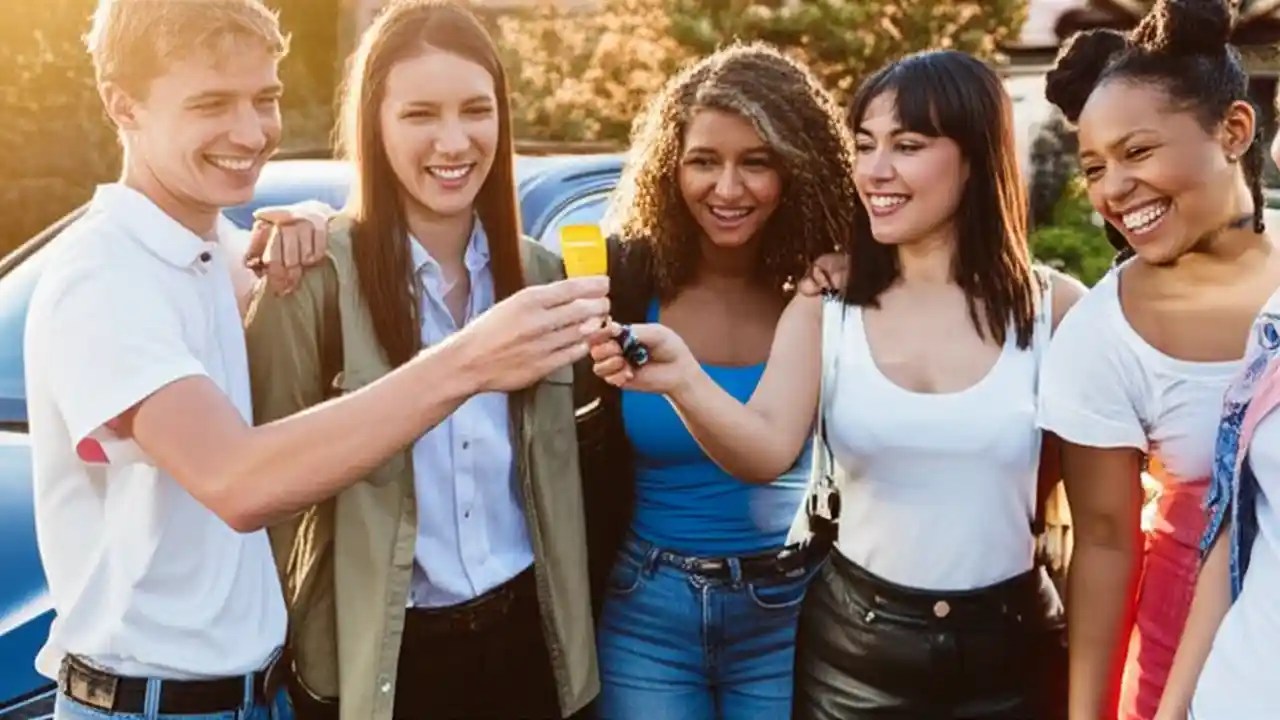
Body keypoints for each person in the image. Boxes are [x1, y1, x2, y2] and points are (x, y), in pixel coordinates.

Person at [21, 1, 607, 719]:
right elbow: (237, 481)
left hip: (261, 696)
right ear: (123, 106)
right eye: (211, 103)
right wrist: (472, 360)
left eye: (264, 98)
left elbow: (301, 252)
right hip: (148, 706)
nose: (251, 131)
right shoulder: (104, 277)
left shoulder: (217, 255)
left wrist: (308, 219)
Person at [593, 48, 1083, 719]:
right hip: (802, 637)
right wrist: (682, 376)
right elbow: (763, 448)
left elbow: (1090, 512)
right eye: (865, 146)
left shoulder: (1051, 310)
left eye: (906, 145)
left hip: (973, 638)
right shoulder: (809, 301)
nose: (876, 170)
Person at [241, 2, 599, 719]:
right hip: (383, 665)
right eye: (420, 115)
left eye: (476, 110)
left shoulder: (547, 279)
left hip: (533, 652)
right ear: (374, 122)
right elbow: (266, 501)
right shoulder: (310, 285)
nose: (454, 140)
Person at [574, 42, 859, 719]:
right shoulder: (623, 281)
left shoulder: (825, 288)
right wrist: (323, 220)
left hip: (788, 612)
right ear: (670, 169)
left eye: (755, 162)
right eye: (704, 161)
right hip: (646, 613)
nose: (727, 189)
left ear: (797, 170)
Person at [1037, 1, 1280, 717]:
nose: (1112, 189)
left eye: (1137, 153)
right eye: (1094, 167)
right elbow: (1107, 545)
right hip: (1185, 640)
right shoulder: (1101, 337)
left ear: (1234, 130)